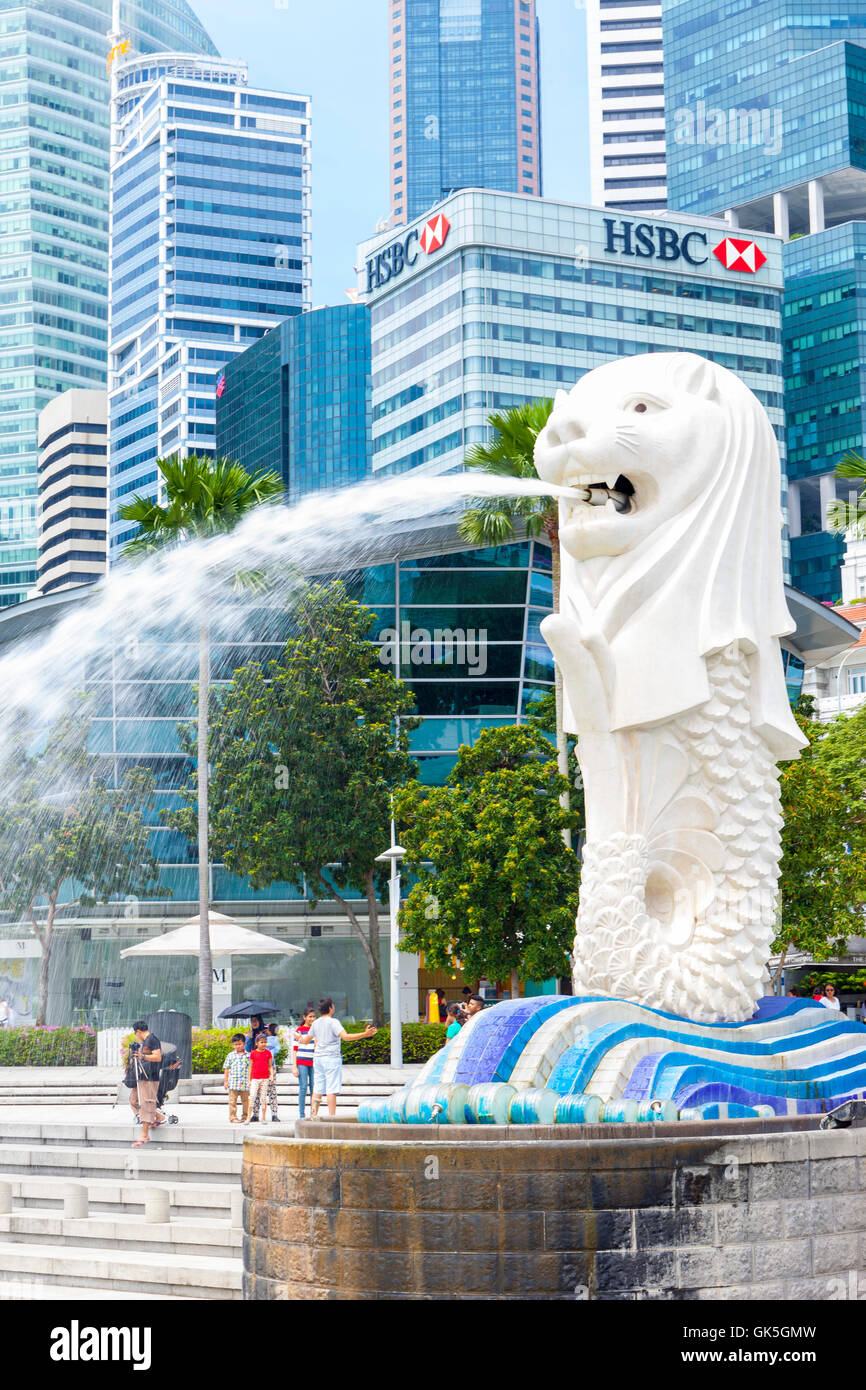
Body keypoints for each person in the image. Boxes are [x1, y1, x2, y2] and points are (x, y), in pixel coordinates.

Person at [310, 997, 377, 1120]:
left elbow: (306, 1039)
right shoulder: (333, 1022)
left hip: (318, 1058)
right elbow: (345, 1037)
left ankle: (313, 1115)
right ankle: (332, 1118)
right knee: (331, 1088)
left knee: (317, 1088)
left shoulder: (316, 1023)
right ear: (330, 1008)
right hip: (331, 1058)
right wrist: (364, 1034)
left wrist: (299, 1038)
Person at [128, 1020, 163, 1147]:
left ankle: (145, 1134)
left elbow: (158, 1057)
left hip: (150, 1077)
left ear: (138, 1031)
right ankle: (158, 1117)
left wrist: (143, 1057)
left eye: (135, 1033)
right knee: (133, 1100)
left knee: (146, 1104)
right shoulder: (145, 1042)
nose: (136, 1036)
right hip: (142, 1075)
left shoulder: (152, 1039)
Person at [249, 1023, 282, 1123]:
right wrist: (249, 1038)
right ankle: (255, 1114)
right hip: (257, 1069)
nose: (265, 1030)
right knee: (256, 1092)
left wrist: (269, 1053)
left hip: (269, 1067)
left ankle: (274, 1114)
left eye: (267, 1029)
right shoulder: (255, 1038)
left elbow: (278, 1048)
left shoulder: (273, 1039)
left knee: (272, 1091)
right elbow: (248, 1050)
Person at [293, 1004, 317, 1121]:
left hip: (314, 1062)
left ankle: (313, 1114)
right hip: (302, 1061)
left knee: (314, 1088)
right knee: (303, 1088)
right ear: (304, 1017)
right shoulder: (299, 1030)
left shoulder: (316, 1030)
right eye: (310, 1016)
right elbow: (294, 1049)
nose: (312, 1019)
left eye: (313, 1016)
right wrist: (294, 1066)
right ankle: (302, 1115)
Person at [246, 1032, 275, 1123]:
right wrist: (249, 1080)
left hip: (265, 1079)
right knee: (252, 1096)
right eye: (261, 1042)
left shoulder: (268, 1053)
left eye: (265, 1042)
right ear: (256, 1043)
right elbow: (250, 1067)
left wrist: (271, 1075)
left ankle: (263, 1118)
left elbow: (270, 1066)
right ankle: (248, 1117)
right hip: (255, 1078)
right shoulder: (253, 1053)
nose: (263, 1044)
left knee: (263, 1098)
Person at [222, 1033, 250, 1123]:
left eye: (240, 1044)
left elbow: (251, 1069)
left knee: (246, 1101)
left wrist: (251, 1080)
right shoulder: (230, 1055)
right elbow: (226, 1068)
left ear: (244, 1044)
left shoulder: (248, 1055)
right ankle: (233, 1117)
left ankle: (245, 1116)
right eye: (235, 1044)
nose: (238, 1046)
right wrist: (226, 1081)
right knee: (232, 1101)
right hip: (233, 1083)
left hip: (245, 1083)